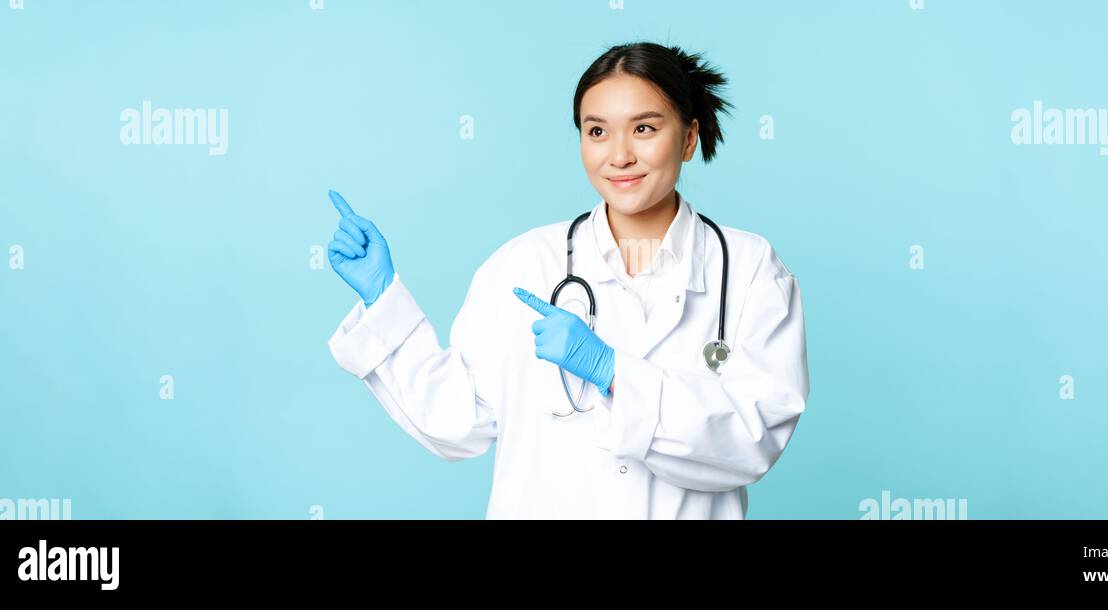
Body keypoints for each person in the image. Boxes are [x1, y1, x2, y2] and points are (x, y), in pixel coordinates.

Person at [325, 41, 808, 519]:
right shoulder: (523, 265)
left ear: (687, 137)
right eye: (597, 131)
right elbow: (455, 422)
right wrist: (381, 299)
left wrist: (612, 372)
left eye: (644, 128)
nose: (619, 156)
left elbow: (754, 440)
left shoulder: (747, 270)